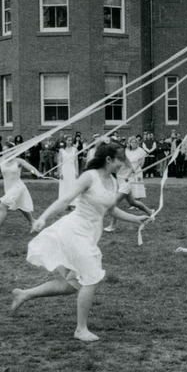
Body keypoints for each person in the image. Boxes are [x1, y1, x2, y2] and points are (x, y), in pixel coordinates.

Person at [11, 142, 150, 342]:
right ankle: (81, 329)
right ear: (108, 159)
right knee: (92, 276)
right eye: (120, 160)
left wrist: (135, 219)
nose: (123, 164)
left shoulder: (112, 181)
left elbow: (110, 209)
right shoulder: (89, 176)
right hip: (74, 231)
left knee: (73, 284)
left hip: (89, 234)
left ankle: (24, 294)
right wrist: (43, 218)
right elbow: (65, 200)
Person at [0, 154, 41, 235]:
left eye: (8, 151)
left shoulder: (18, 161)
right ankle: (33, 222)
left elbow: (30, 169)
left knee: (3, 205)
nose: (6, 153)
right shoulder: (0, 161)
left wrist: (36, 173)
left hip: (18, 187)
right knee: (21, 206)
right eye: (4, 151)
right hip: (8, 188)